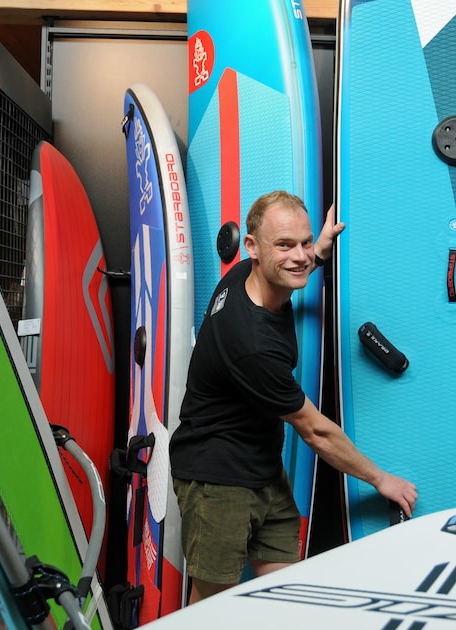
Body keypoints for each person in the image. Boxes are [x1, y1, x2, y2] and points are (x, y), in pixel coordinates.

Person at [169, 190, 417, 603]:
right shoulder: (252, 345)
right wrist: (381, 479)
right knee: (210, 610)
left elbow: (290, 270)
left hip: (263, 469)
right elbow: (316, 431)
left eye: (303, 242)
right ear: (252, 247)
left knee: (286, 596)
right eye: (284, 244)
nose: (298, 255)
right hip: (216, 480)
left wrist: (318, 251)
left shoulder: (243, 276)